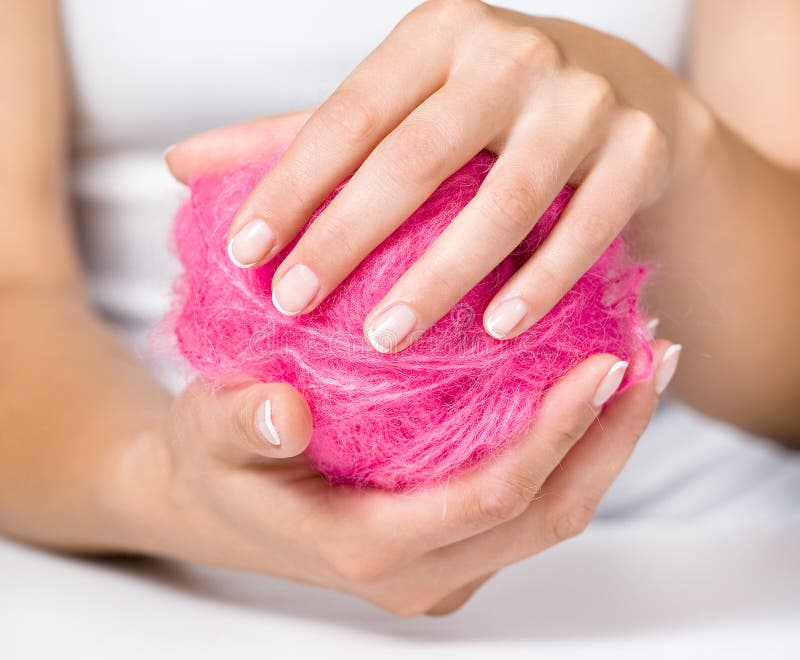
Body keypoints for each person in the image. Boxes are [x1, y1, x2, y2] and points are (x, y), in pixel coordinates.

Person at [0, 0, 797, 618]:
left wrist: (674, 137)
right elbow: (15, 283)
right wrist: (156, 480)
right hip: (144, 579)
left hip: (698, 568)